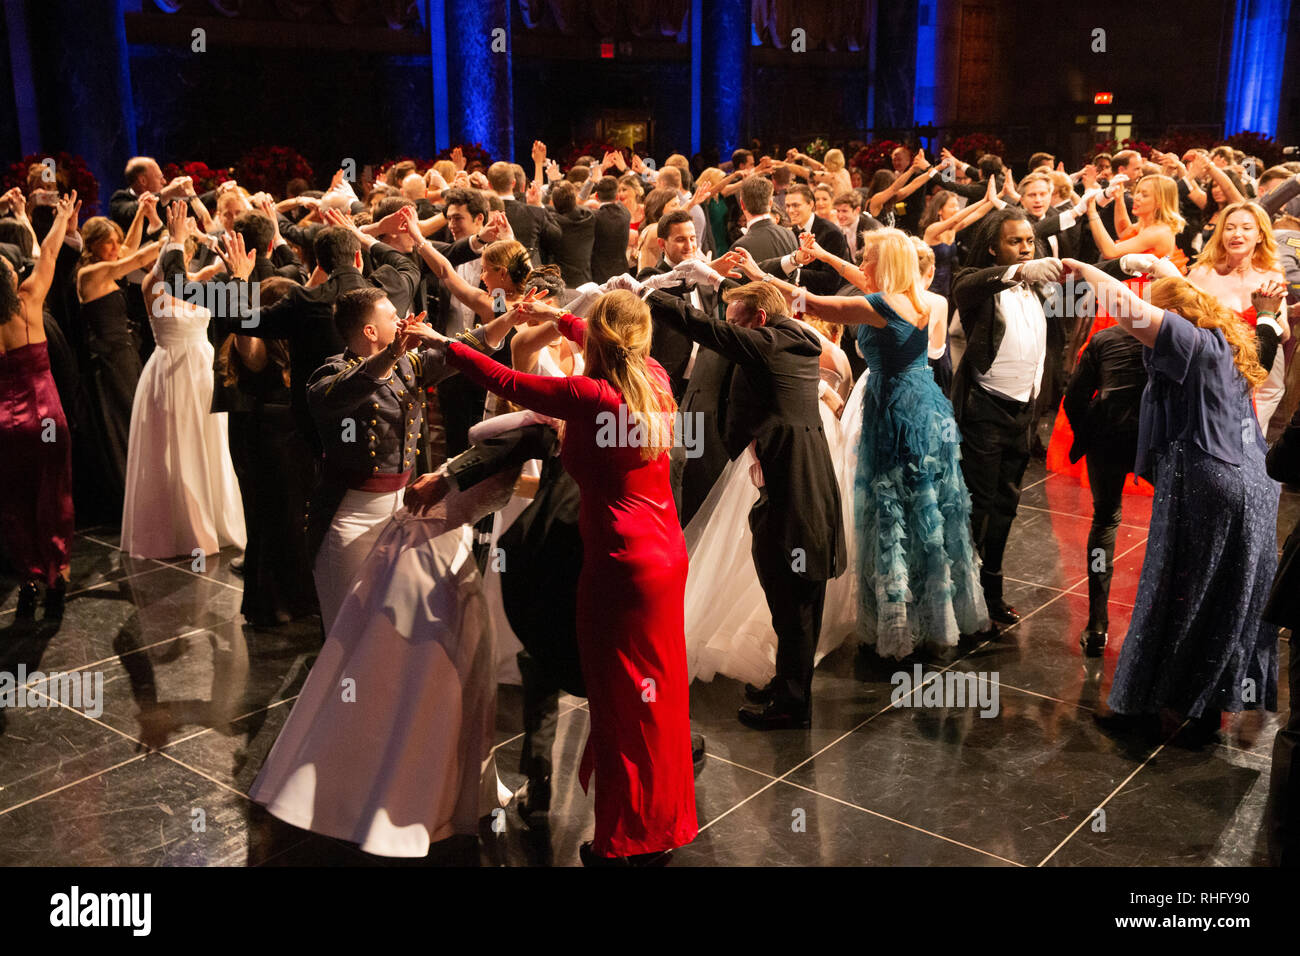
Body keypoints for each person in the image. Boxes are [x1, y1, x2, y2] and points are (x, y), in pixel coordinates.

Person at [426, 290, 698, 866]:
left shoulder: (588, 395)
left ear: (598, 342)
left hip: (619, 564)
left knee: (619, 704)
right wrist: (562, 319)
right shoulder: (654, 379)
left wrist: (440, 343)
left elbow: (507, 380)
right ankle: (664, 820)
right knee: (658, 699)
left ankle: (624, 840)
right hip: (665, 555)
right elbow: (602, 342)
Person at [248, 413, 535, 859]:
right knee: (411, 677)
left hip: (441, 549)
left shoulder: (531, 434)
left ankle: (404, 788)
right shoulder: (516, 435)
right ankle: (395, 796)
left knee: (423, 677)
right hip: (423, 554)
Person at [1072, 258, 1280, 744]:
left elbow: (1124, 308)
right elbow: (1262, 339)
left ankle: (1140, 707)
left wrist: (1079, 265)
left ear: (1174, 321)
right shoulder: (1232, 338)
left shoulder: (1190, 344)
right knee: (1225, 598)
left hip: (1206, 481)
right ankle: (1203, 707)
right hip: (1254, 481)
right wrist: (1269, 314)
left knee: (1172, 594)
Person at [758, 231, 989, 659]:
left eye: (869, 260)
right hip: (924, 403)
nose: (861, 267)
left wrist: (759, 275)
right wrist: (825, 254)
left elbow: (812, 304)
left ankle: (898, 624)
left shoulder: (878, 307)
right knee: (929, 502)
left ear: (886, 266)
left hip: (895, 409)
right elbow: (852, 276)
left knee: (891, 508)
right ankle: (937, 613)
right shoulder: (913, 295)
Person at [950, 209, 1064, 624]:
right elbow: (969, 281)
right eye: (1015, 241)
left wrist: (1124, 264)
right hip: (984, 409)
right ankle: (964, 597)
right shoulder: (975, 285)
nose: (1024, 248)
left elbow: (1078, 272)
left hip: (1023, 411)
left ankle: (991, 589)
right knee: (978, 506)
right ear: (994, 246)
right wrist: (1019, 269)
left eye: (1029, 242)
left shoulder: (1037, 287)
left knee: (1007, 505)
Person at [121, 202, 246, 559]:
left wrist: (220, 252)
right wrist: (172, 240)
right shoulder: (153, 286)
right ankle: (180, 527)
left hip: (202, 371)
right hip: (170, 373)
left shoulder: (194, 284)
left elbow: (217, 278)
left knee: (208, 442)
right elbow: (168, 273)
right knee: (176, 444)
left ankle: (213, 518)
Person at [1060, 260, 1147, 656]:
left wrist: (1088, 433)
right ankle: (1157, 621)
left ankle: (1097, 622)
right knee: (1169, 524)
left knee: (1105, 520)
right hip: (1158, 441)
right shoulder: (1180, 338)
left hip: (1109, 437)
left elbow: (1075, 398)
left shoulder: (1105, 339)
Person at [0, 191, 79, 620]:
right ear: (10, 281)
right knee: (55, 495)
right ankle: (57, 577)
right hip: (46, 416)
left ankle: (28, 578)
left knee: (14, 500)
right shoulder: (30, 301)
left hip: (4, 425)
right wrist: (62, 217)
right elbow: (47, 253)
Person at [75, 204, 162, 512]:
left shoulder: (107, 264)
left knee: (137, 414)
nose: (115, 247)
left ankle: (145, 485)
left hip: (123, 351)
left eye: (115, 240)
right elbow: (136, 258)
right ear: (92, 244)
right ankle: (132, 493)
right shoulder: (90, 272)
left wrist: (142, 211)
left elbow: (128, 249)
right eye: (108, 242)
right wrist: (171, 239)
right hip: (111, 357)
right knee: (126, 416)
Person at [1185, 201, 1289, 430]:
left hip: (1260, 379)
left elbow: (1284, 334)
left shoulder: (1272, 272)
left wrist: (1273, 310)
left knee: (1250, 442)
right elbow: (1183, 331)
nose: (1236, 234)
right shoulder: (1202, 274)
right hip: (1212, 377)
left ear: (1260, 235)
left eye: (1246, 228)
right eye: (1229, 228)